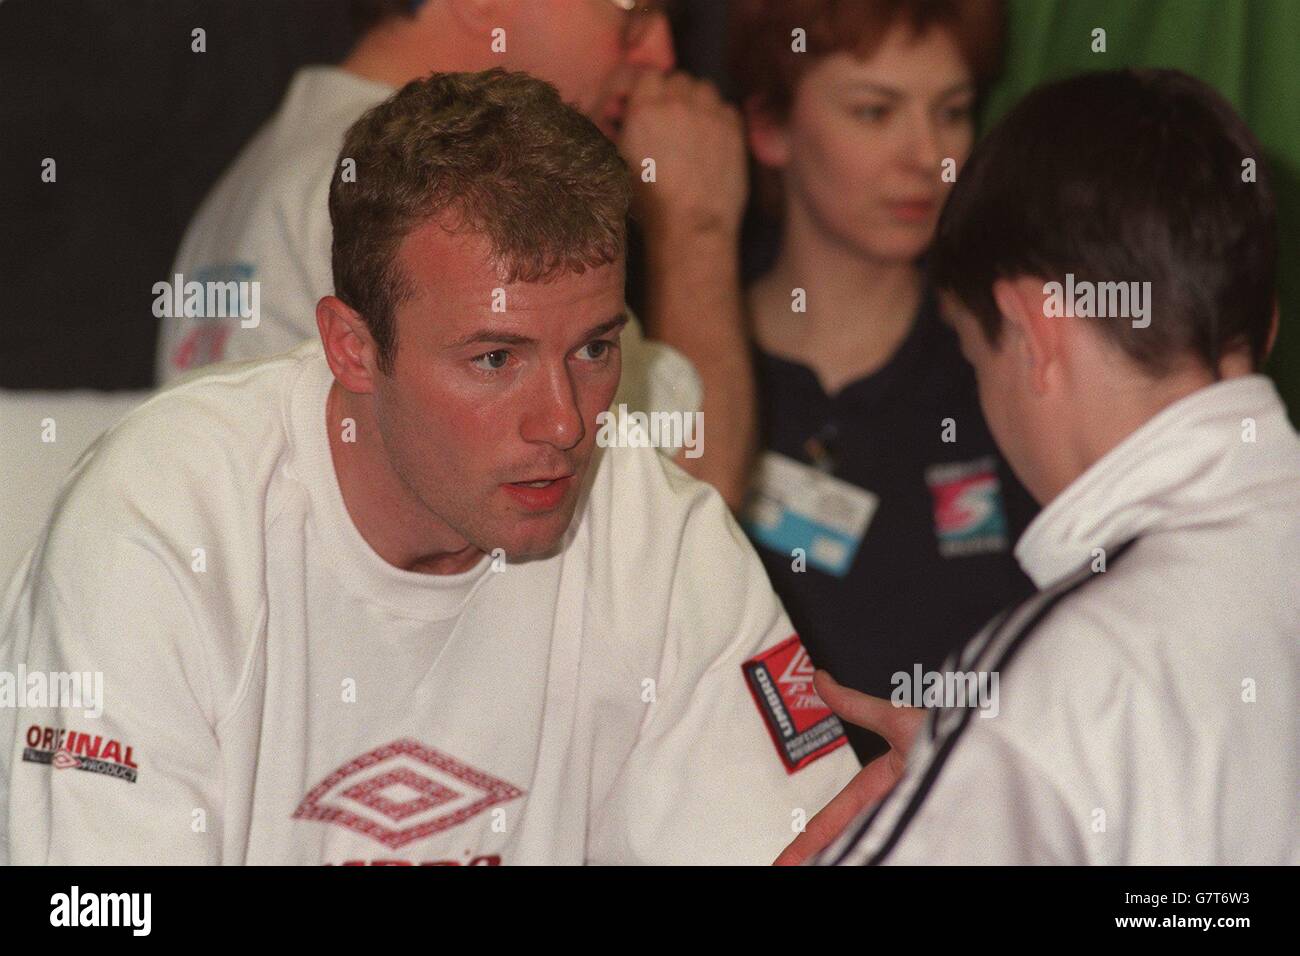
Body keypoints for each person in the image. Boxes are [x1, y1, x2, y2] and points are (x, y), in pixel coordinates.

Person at [0, 71, 856, 866]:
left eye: (595, 348)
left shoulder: (660, 538)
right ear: (353, 348)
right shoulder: (159, 524)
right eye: (495, 359)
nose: (563, 421)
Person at [783, 68, 1299, 865]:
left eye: (974, 354)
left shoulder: (1055, 690)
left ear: (1034, 332)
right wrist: (990, 784)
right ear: (1262, 324)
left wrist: (1001, 763)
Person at [157, 0, 755, 508]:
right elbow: (683, 513)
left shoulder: (280, 169)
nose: (660, 55)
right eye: (631, 12)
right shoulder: (426, 200)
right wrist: (697, 227)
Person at [727, 0, 1035, 762]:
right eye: (874, 112)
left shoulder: (1016, 363)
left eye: (953, 112)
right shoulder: (679, 361)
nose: (928, 154)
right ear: (769, 128)